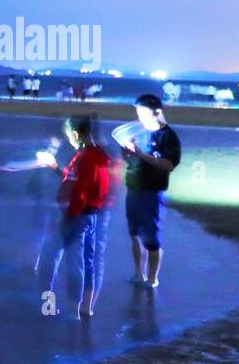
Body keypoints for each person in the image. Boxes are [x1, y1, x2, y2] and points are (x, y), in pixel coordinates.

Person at [40, 116, 111, 318]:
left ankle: (51, 307)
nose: (69, 140)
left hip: (76, 216)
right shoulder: (95, 156)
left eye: (69, 136)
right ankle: (78, 309)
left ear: (76, 134)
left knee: (52, 258)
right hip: (86, 216)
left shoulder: (86, 158)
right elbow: (75, 180)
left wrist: (69, 217)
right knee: (80, 261)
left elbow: (81, 190)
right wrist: (56, 168)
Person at [121, 93, 181, 289]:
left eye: (143, 113)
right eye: (138, 112)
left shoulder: (168, 136)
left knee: (151, 237)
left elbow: (168, 164)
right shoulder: (140, 131)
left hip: (152, 192)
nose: (140, 117)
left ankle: (152, 278)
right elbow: (131, 159)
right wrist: (128, 153)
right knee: (134, 234)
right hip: (133, 189)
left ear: (157, 112)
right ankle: (139, 273)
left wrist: (142, 155)